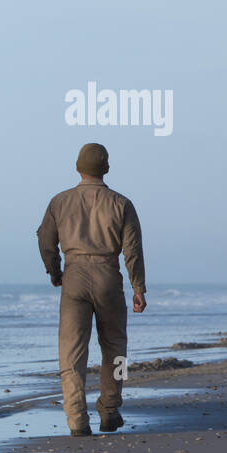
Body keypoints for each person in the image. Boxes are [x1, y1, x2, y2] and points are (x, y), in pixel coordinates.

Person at [36, 143, 146, 436]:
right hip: (108, 275)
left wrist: (55, 270)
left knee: (71, 353)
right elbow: (132, 250)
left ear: (77, 167)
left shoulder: (59, 201)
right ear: (106, 168)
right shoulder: (122, 203)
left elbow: (45, 239)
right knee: (116, 348)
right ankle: (110, 408)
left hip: (74, 275)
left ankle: (76, 419)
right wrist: (138, 287)